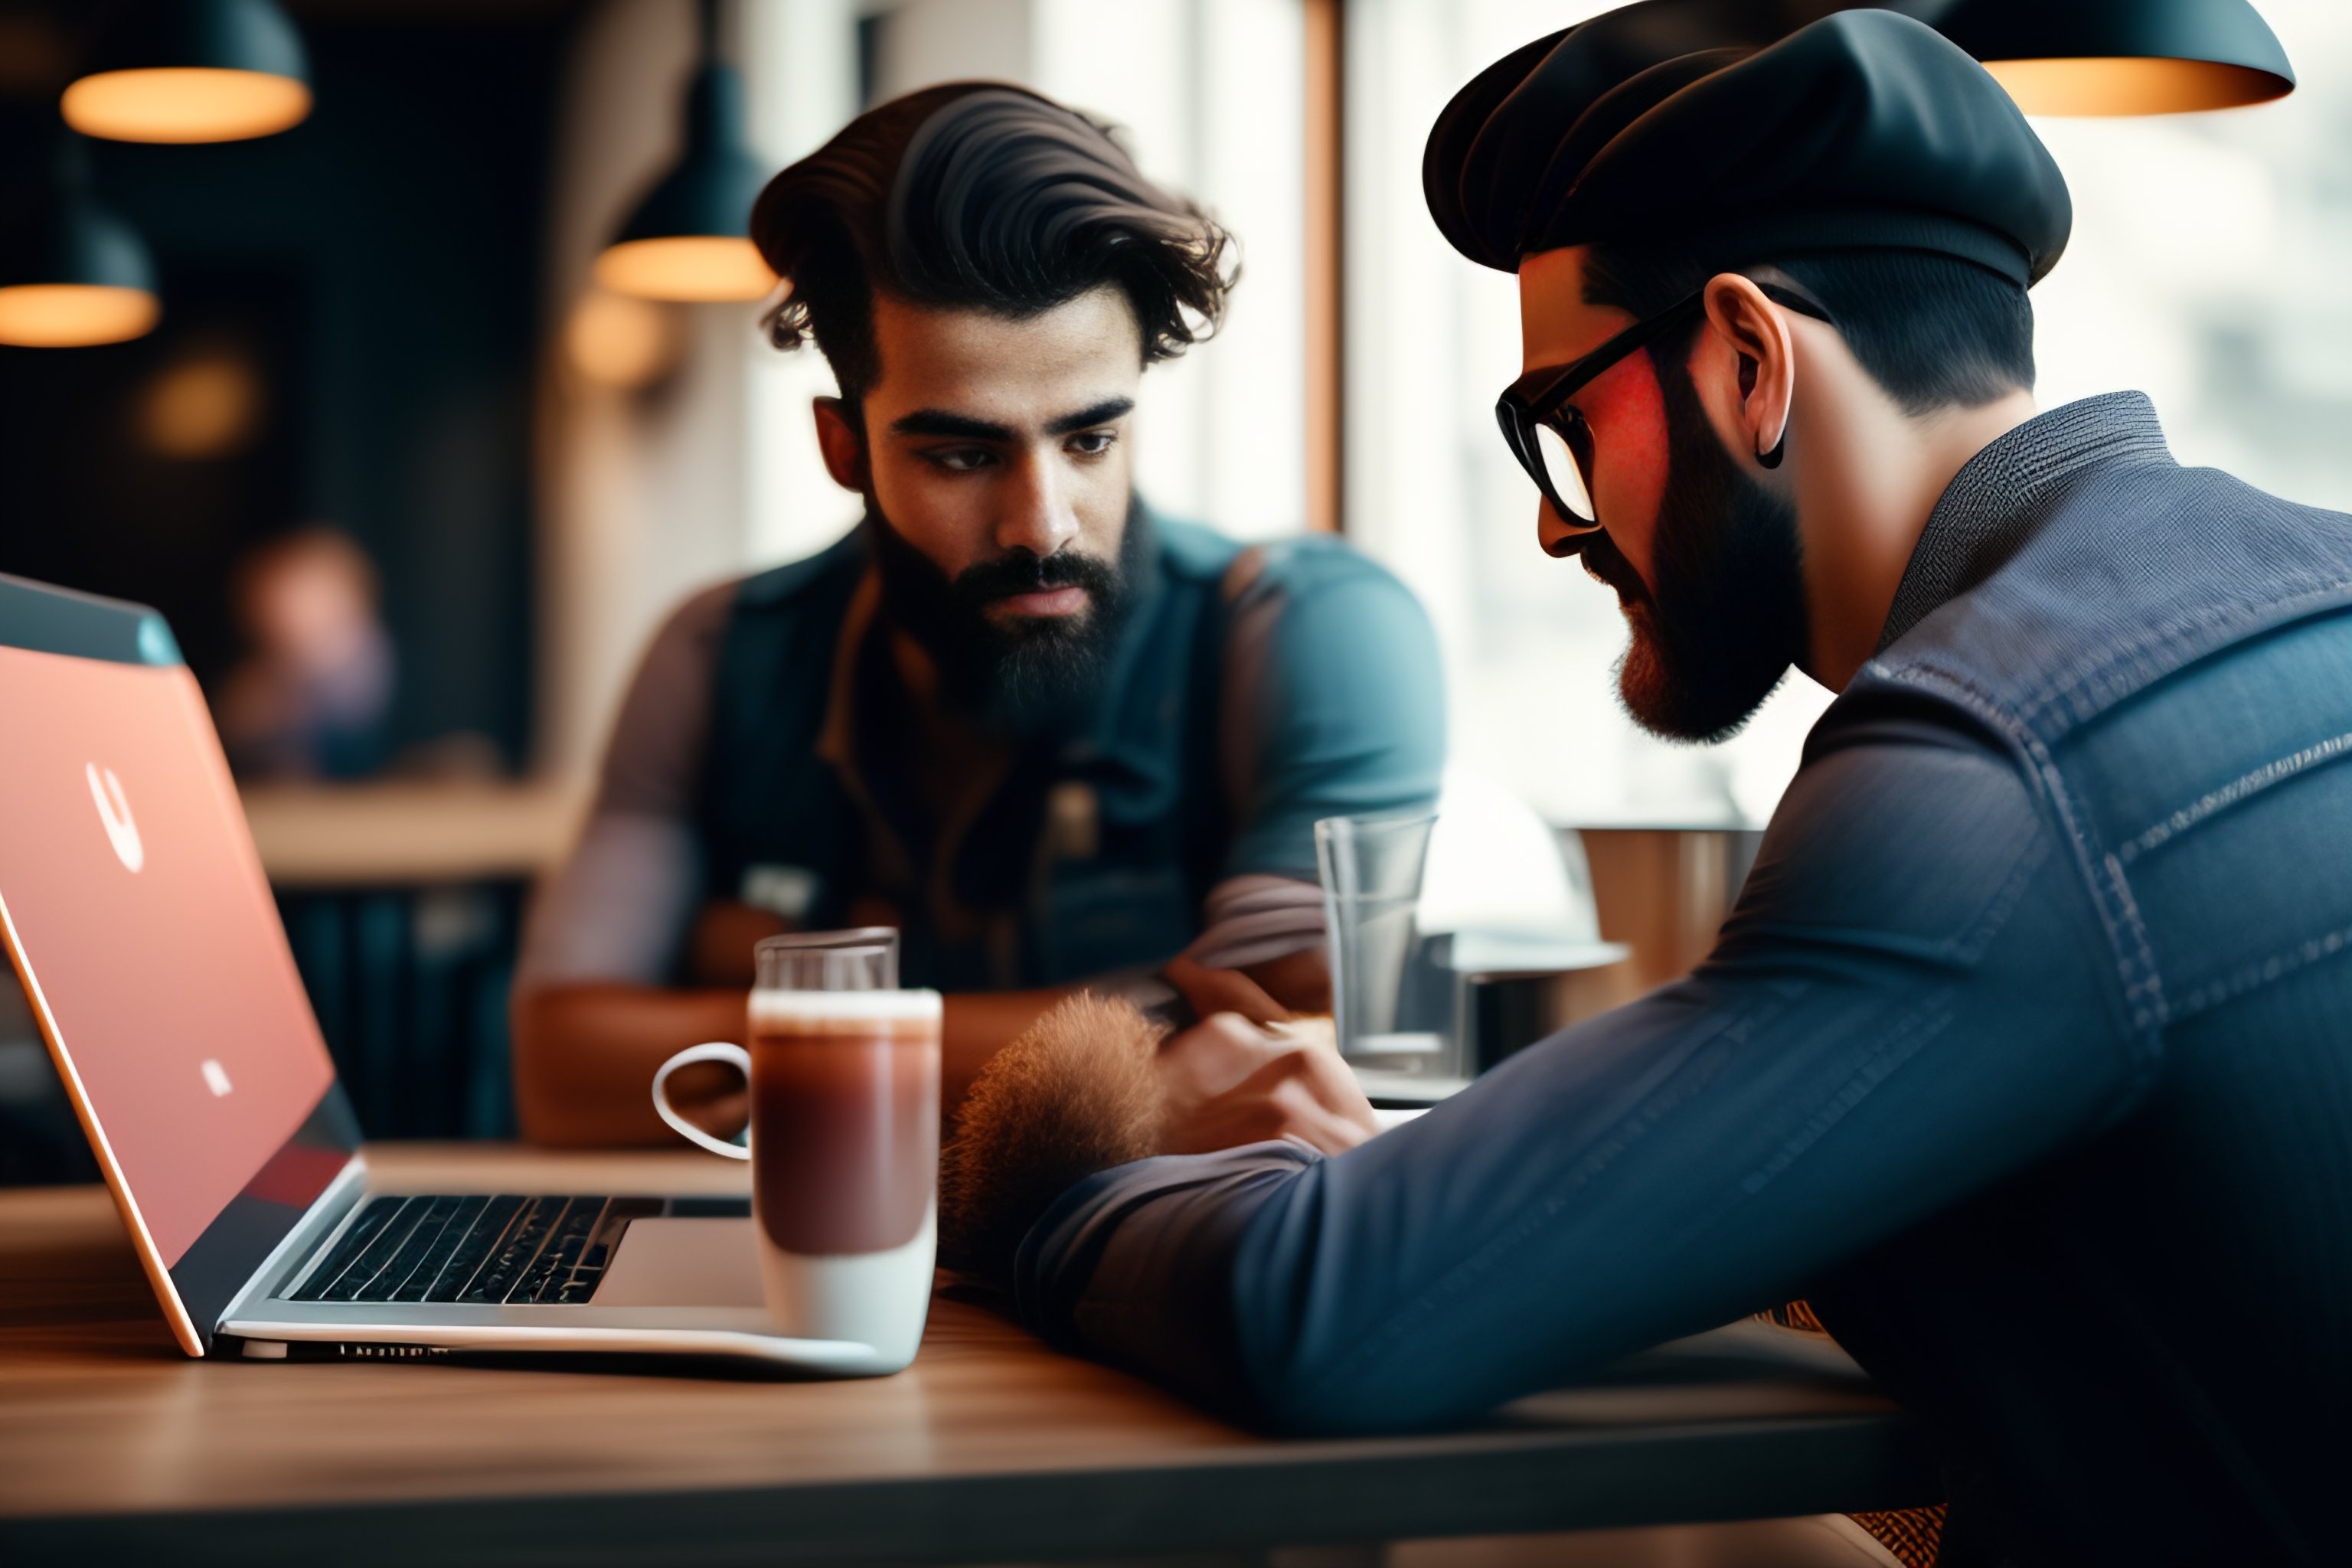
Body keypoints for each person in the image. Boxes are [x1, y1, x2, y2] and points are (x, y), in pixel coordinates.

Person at [942, 10, 2352, 1564]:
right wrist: (1473, 1195)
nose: (1558, 527)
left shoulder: (1992, 763)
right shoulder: (2307, 589)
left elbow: (1321, 1318)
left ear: (1750, 361)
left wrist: (1058, 1166)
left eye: (1560, 427)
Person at [511, 83, 1444, 1146]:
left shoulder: (1309, 633)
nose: (1042, 525)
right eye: (963, 454)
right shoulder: (720, 652)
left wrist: (769, 1029)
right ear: (844, 449)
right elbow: (564, 1070)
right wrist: (1124, 1052)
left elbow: (1273, 1058)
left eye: (1090, 440)